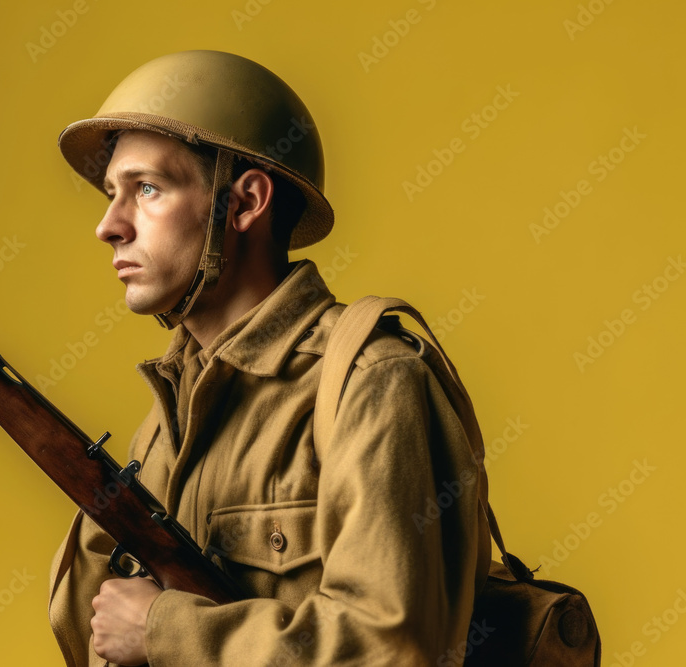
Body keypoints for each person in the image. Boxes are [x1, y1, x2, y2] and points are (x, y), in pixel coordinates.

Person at [49, 50, 491, 666]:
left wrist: (164, 630)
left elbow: (390, 648)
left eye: (147, 188)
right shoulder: (167, 417)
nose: (109, 225)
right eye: (111, 194)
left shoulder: (369, 383)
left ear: (246, 202)